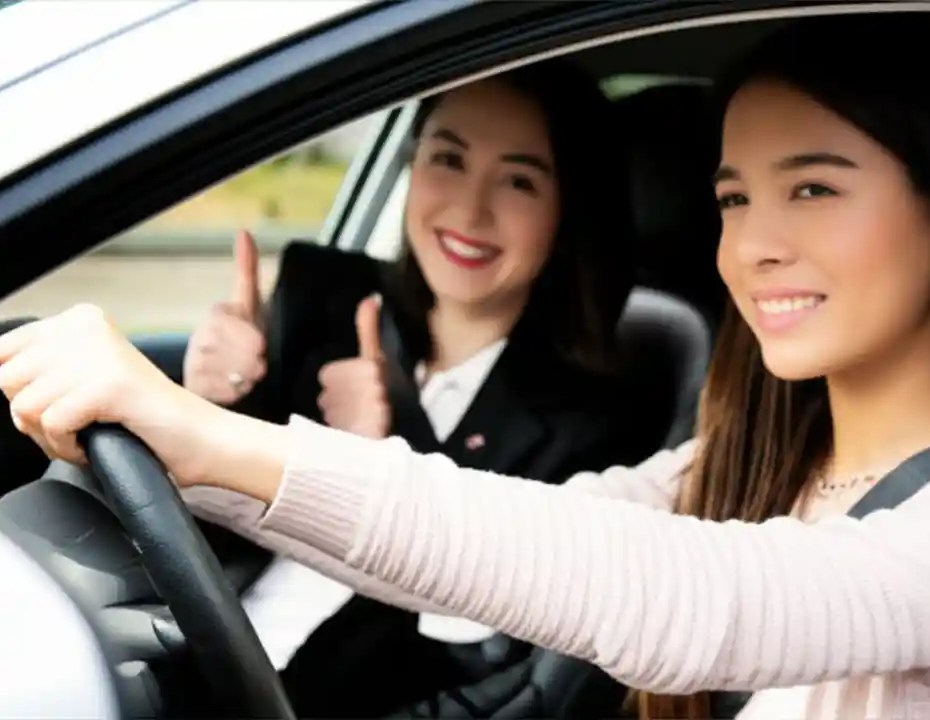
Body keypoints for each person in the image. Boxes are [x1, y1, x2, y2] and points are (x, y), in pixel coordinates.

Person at [0, 17, 930, 720]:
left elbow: (700, 602)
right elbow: (486, 537)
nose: (751, 242)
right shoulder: (747, 460)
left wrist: (212, 440)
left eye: (811, 187)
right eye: (733, 198)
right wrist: (190, 447)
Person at [176, 61, 648, 718]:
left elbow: (494, 671)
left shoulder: (596, 425)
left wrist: (398, 458)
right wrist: (215, 404)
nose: (469, 209)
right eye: (448, 160)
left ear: (567, 208)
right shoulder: (322, 300)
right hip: (181, 658)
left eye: (518, 180)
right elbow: (188, 537)